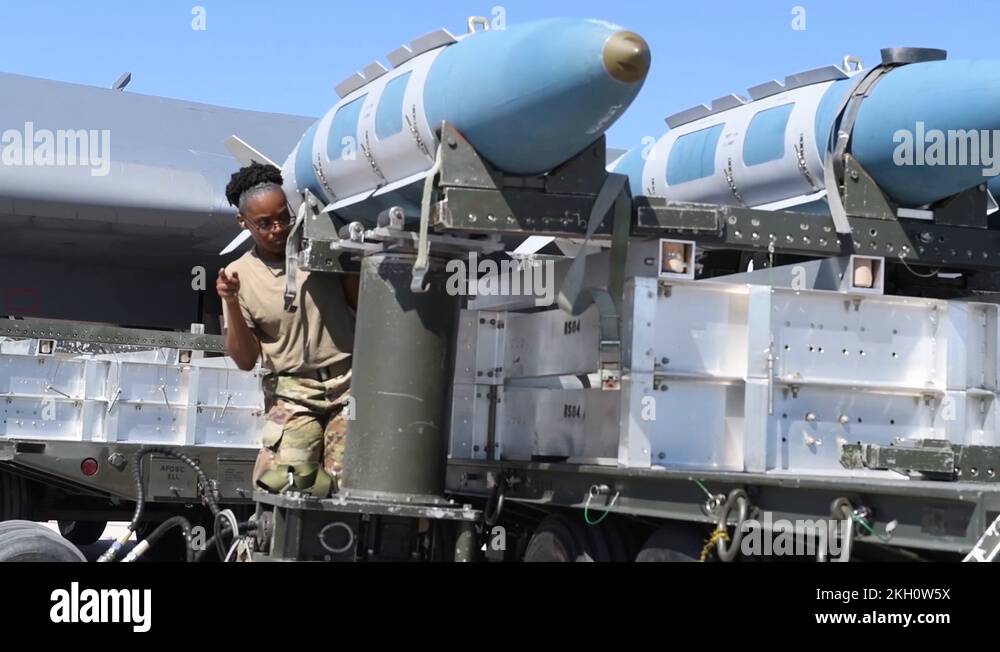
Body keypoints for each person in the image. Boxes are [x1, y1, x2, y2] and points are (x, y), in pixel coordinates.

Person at [216, 162, 358, 496]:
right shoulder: (239, 275)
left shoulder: (321, 251)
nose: (277, 229)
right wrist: (232, 302)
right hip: (293, 394)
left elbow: (361, 305)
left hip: (349, 387)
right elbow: (245, 359)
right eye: (264, 224)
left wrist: (350, 258)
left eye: (283, 217)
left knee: (351, 487)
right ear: (244, 222)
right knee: (290, 484)